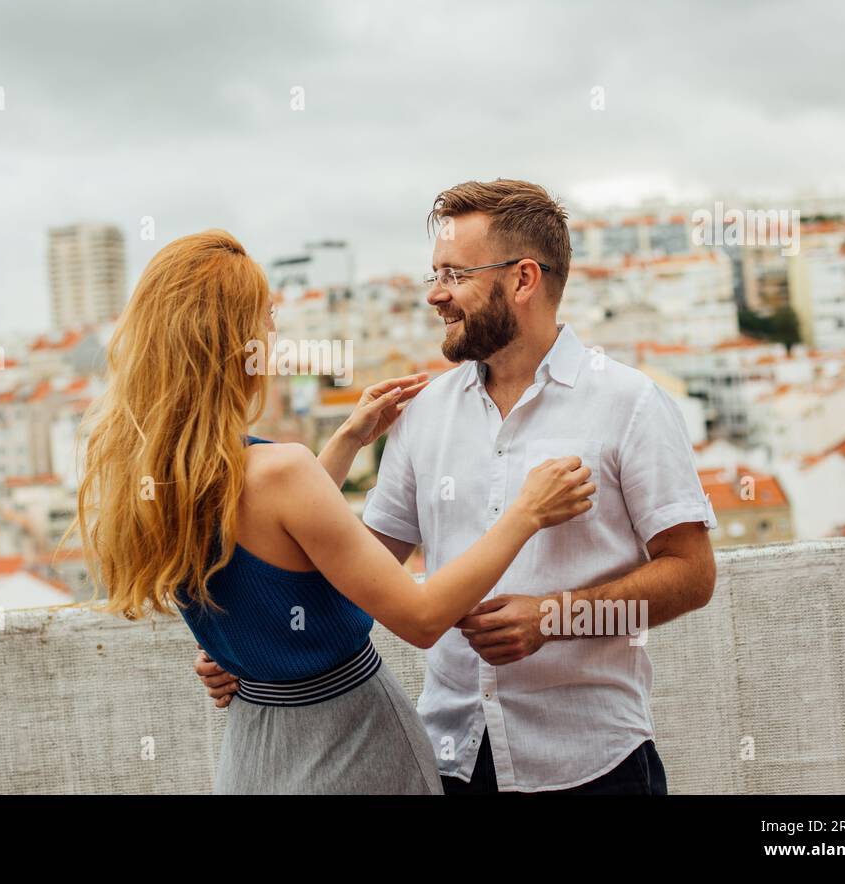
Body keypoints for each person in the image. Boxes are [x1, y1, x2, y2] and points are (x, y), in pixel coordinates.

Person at [197, 179, 719, 794]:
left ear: (524, 279)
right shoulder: (423, 412)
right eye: (432, 275)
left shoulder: (630, 404)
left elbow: (692, 573)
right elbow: (356, 570)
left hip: (592, 762)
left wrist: (555, 617)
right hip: (453, 758)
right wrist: (248, 645)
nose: (435, 295)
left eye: (452, 274)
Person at [78, 228, 594, 794]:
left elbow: (275, 551)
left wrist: (346, 441)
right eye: (264, 319)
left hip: (254, 745)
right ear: (230, 342)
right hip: (351, 743)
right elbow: (421, 619)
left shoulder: (163, 479)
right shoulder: (278, 472)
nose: (272, 335)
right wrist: (526, 513)